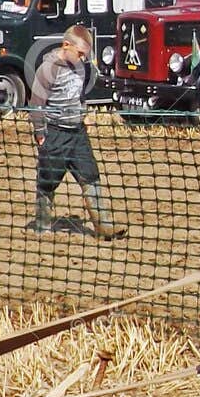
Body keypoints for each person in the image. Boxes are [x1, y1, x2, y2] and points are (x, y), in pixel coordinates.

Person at [28, 23, 126, 240]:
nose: (83, 59)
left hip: (78, 134)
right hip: (55, 134)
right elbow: (36, 104)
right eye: (80, 54)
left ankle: (104, 226)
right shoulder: (48, 68)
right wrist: (41, 134)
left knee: (91, 176)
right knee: (48, 180)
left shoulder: (82, 67)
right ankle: (42, 225)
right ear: (66, 45)